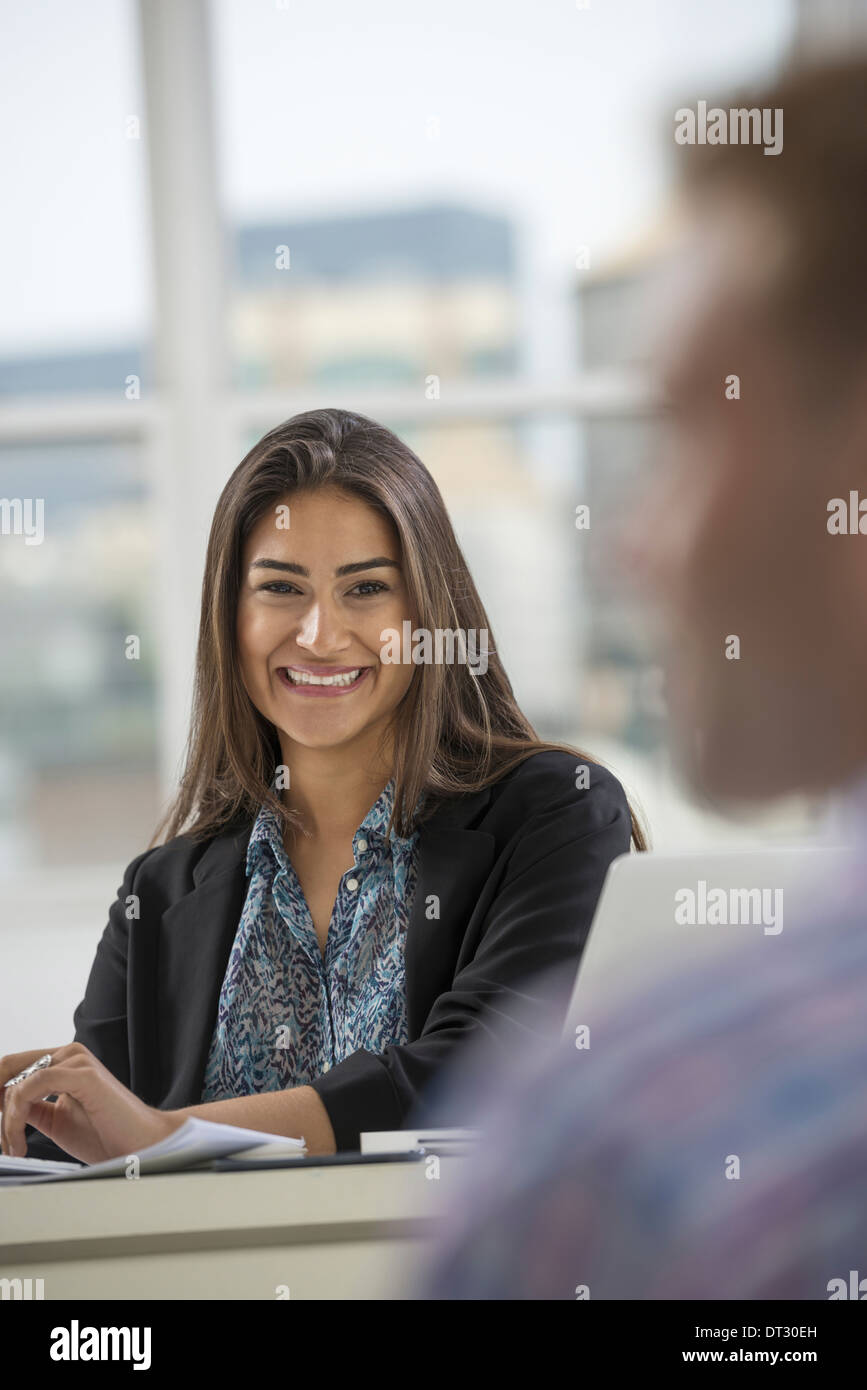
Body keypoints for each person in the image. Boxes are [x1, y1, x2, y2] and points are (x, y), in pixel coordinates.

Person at [418, 55, 867, 1299]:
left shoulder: (625, 1158)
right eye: (278, 592)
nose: (634, 544)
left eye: (684, 435)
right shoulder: (180, 876)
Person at [0, 408, 642, 1164]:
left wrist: (166, 1134)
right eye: (279, 588)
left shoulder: (556, 811)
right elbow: (84, 1165)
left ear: (427, 610)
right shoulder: (161, 896)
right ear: (228, 617)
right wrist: (41, 1115)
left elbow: (487, 1072)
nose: (320, 634)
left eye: (365, 589)